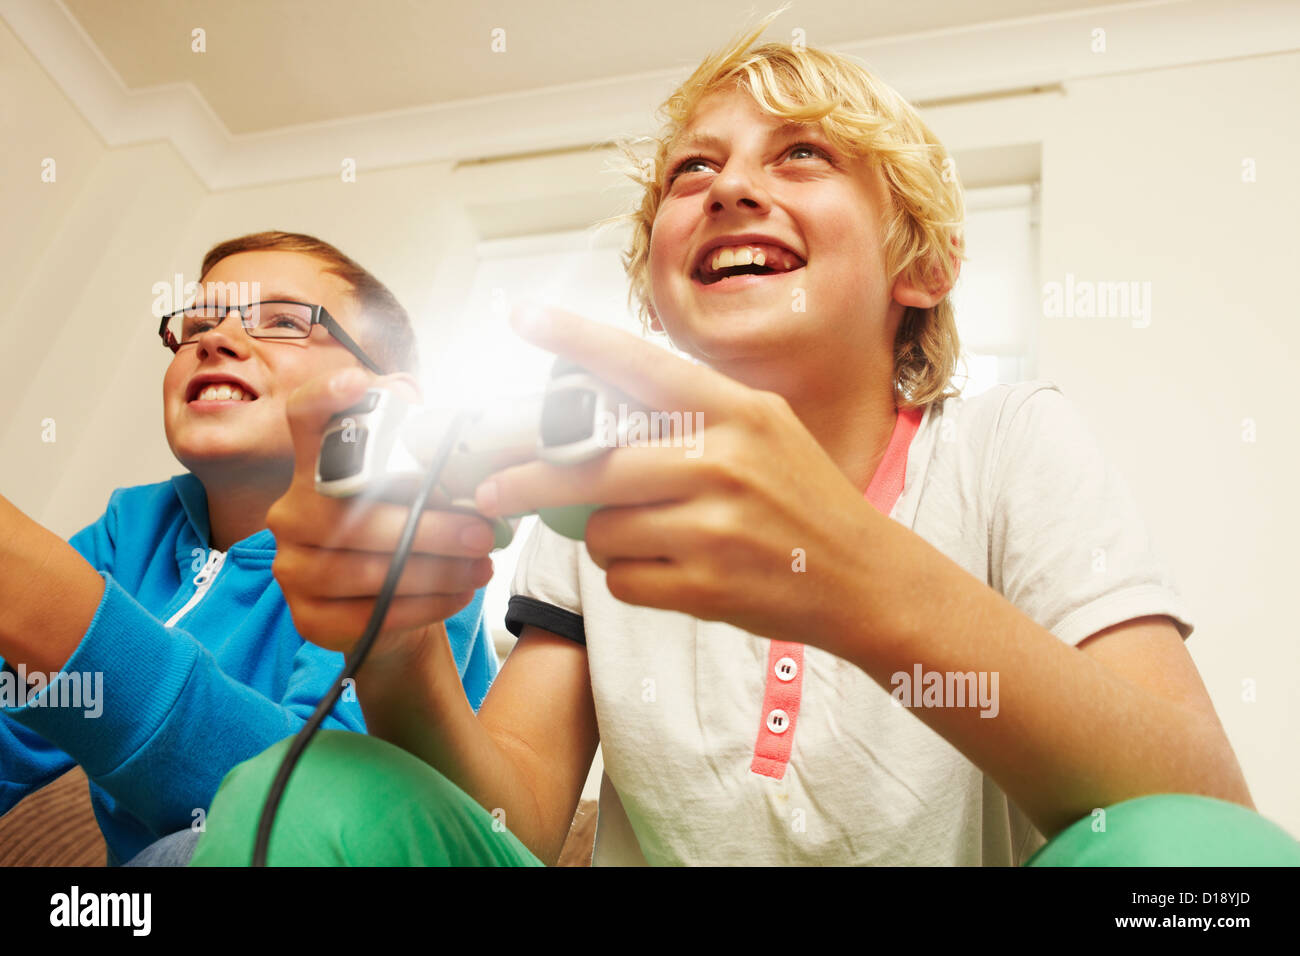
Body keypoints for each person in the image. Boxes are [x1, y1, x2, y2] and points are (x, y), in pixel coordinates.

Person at [191, 25, 1298, 867]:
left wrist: (863, 584)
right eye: (691, 172)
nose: (727, 187)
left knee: (1196, 863)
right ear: (659, 294)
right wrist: (399, 647)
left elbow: (1204, 813)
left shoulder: (1010, 441)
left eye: (802, 153)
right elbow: (511, 816)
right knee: (303, 790)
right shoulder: (590, 492)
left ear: (923, 266)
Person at [0, 231, 497, 866]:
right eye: (200, 321)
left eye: (285, 321)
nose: (214, 338)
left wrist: (43, 600)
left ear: (380, 400)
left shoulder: (413, 546)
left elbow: (317, 811)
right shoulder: (131, 529)